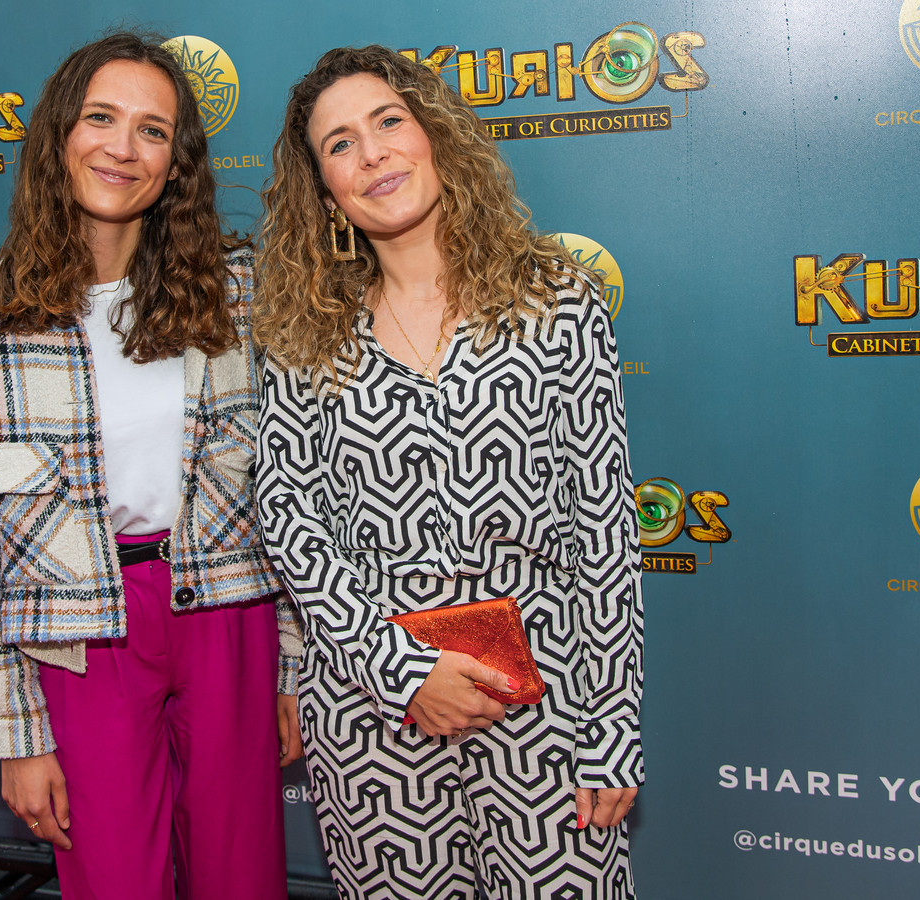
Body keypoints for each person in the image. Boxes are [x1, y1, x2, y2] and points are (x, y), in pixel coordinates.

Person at [255, 45, 642, 899]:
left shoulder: (555, 301)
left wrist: (609, 729)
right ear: (324, 189)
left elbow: (604, 532)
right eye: (340, 144)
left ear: (434, 135)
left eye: (388, 122)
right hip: (371, 718)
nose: (373, 155)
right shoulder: (301, 329)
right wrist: (402, 673)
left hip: (544, 705)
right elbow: (287, 514)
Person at [0, 32, 302, 900]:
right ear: (60, 134)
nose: (123, 148)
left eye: (153, 130)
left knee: (239, 880)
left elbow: (289, 484)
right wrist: (14, 734)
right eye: (101, 118)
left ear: (177, 163)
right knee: (113, 882)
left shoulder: (238, 295)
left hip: (226, 613)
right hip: (81, 638)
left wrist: (292, 668)